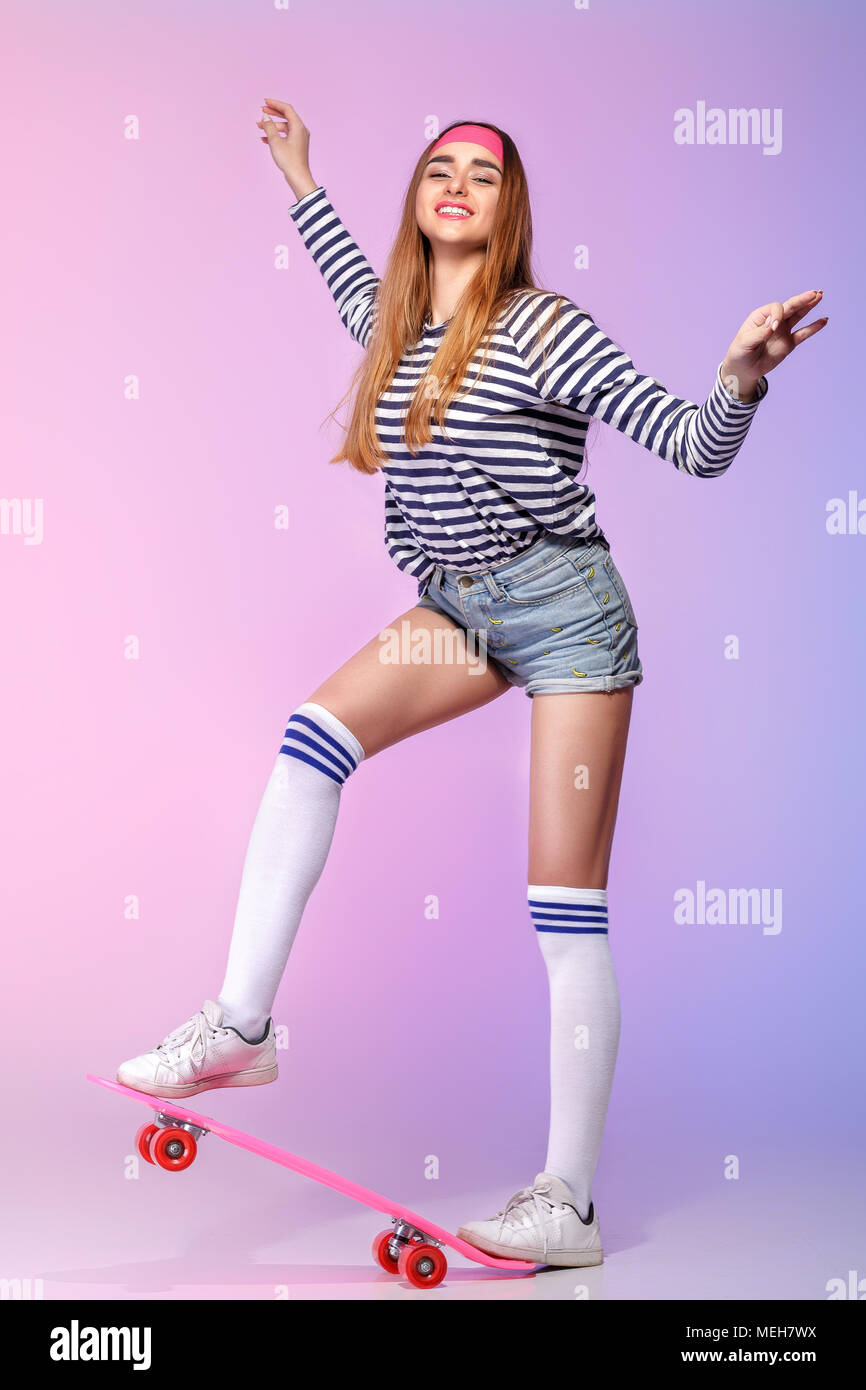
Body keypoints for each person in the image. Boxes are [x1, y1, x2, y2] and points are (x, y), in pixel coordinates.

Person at [116, 101, 827, 1268]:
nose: (455, 185)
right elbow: (342, 268)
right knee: (310, 736)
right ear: (417, 198)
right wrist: (301, 172)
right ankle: (241, 1026)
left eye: (479, 176)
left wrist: (739, 377)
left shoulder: (545, 327)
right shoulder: (393, 319)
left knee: (562, 910)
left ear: (508, 208)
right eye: (436, 170)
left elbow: (688, 443)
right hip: (456, 611)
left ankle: (569, 1207)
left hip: (566, 619)